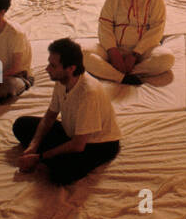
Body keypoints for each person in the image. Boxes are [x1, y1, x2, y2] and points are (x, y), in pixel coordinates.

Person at [14, 38, 121, 184]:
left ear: (70, 68)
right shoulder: (62, 81)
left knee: (60, 175)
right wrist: (34, 145)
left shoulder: (88, 93)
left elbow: (78, 145)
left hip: (97, 144)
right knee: (21, 125)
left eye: (53, 65)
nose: (47, 69)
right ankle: (47, 156)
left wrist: (39, 157)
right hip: (72, 133)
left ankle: (45, 159)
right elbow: (50, 117)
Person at [84, 0, 172, 85]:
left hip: (142, 52)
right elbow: (105, 26)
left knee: (166, 59)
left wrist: (135, 55)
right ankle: (121, 77)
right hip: (115, 49)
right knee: (82, 54)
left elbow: (156, 30)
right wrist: (113, 53)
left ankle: (130, 72)